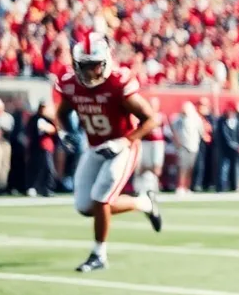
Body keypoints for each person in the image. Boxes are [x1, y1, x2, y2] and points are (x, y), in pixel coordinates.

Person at [56, 31, 162, 272]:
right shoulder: (71, 84)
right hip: (95, 147)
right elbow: (61, 113)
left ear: (105, 62)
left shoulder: (117, 84)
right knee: (84, 207)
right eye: (84, 66)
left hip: (122, 147)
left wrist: (126, 141)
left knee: (102, 196)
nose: (89, 73)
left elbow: (151, 119)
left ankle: (99, 254)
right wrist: (63, 133)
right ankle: (143, 203)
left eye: (94, 66)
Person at [135, 95, 166, 196]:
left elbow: (166, 130)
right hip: (145, 142)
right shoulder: (143, 115)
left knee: (156, 166)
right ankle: (140, 187)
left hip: (157, 142)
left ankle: (153, 186)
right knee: (143, 166)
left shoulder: (161, 116)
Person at [26, 99, 57, 197]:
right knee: (37, 168)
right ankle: (35, 187)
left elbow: (54, 130)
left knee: (48, 168)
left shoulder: (49, 119)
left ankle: (47, 188)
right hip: (36, 147)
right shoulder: (34, 119)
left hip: (47, 147)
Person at [173, 101, 204, 196]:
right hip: (183, 145)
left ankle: (187, 187)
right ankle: (180, 187)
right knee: (182, 167)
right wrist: (177, 142)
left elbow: (201, 131)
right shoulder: (179, 119)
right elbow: (174, 130)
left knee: (190, 168)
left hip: (193, 146)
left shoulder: (196, 119)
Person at [217, 103, 239, 192]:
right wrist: (237, 146)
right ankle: (222, 187)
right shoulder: (222, 123)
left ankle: (236, 186)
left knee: (236, 168)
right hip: (226, 150)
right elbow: (226, 138)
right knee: (224, 168)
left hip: (237, 150)